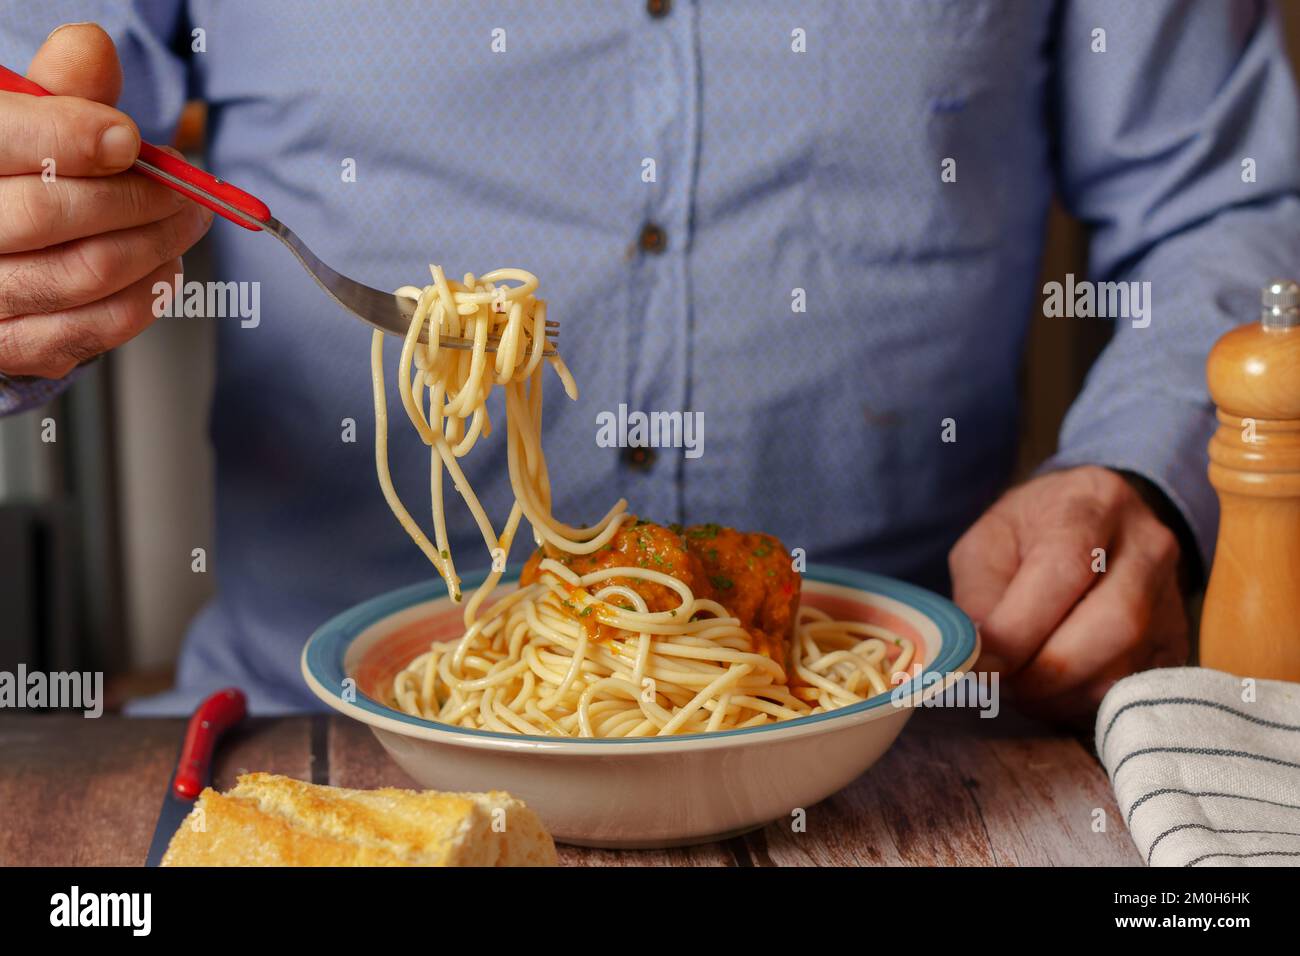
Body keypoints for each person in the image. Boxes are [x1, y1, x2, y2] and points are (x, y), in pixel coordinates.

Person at [1, 3, 1297, 720]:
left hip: (900, 717)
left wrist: (1142, 473)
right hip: (307, 731)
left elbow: (1229, 201)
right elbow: (41, 120)